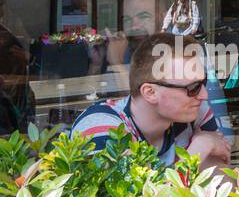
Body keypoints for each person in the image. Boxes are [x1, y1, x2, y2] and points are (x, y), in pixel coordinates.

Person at [69, 32, 230, 171]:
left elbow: (223, 183)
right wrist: (198, 151)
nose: (204, 95)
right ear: (150, 92)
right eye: (193, 87)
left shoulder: (196, 111)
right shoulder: (100, 125)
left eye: (203, 82)